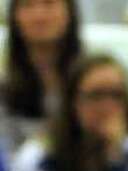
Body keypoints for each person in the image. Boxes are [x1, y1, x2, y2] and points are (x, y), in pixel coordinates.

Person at [0, 0, 83, 151]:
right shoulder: (4, 85)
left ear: (69, 11)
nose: (39, 16)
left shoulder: (94, 81)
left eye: (49, 3)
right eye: (27, 5)